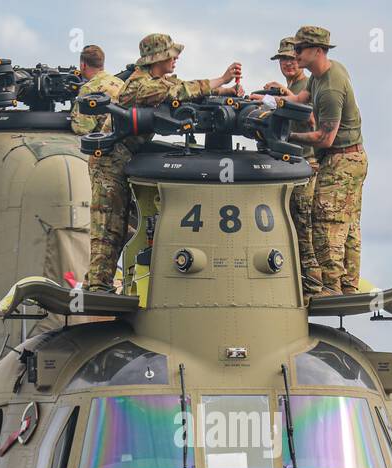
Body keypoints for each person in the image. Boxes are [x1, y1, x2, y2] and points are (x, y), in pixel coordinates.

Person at [84, 34, 241, 292]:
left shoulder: (156, 81)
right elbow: (181, 90)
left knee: (119, 222)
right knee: (108, 223)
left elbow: (185, 90)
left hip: (124, 156)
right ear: (158, 59)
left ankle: (99, 282)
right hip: (111, 160)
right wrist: (222, 79)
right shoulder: (141, 86)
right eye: (171, 55)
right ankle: (97, 286)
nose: (176, 59)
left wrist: (225, 92)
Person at [285, 26, 365, 296]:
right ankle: (349, 285)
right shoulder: (319, 76)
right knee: (348, 222)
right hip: (348, 158)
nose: (294, 55)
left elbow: (324, 138)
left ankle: (331, 287)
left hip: (341, 159)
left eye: (299, 50)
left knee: (326, 220)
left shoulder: (330, 88)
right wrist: (270, 101)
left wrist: (289, 135)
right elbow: (299, 99)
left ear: (317, 51)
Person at [255, 38, 321, 292]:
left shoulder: (305, 86)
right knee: (291, 221)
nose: (287, 64)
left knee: (303, 222)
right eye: (283, 60)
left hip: (306, 162)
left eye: (291, 59)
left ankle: (313, 283)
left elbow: (312, 120)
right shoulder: (293, 87)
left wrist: (284, 97)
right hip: (291, 163)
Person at [70, 45, 123, 136]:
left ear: (83, 65)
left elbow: (81, 129)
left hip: (105, 143)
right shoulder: (120, 82)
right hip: (123, 139)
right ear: (102, 64)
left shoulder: (89, 88)